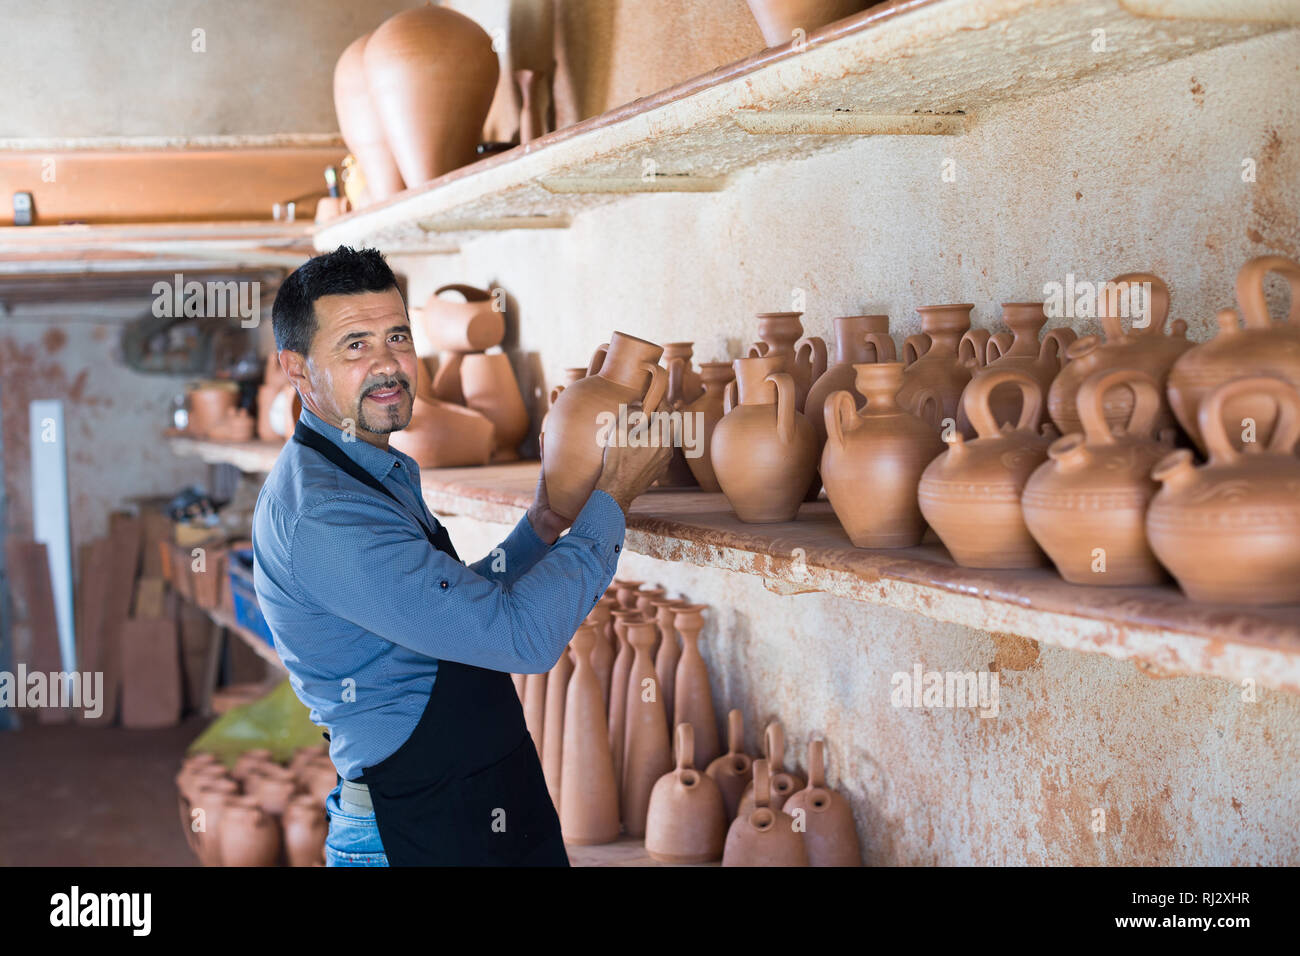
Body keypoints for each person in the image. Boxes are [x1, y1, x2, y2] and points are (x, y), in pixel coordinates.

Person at [251, 246, 670, 866]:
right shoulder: (326, 514)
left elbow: (443, 612)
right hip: (414, 824)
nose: (388, 364)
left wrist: (542, 527)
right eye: (355, 345)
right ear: (297, 368)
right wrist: (612, 501)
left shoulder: (363, 468)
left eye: (397, 336)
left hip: (467, 800)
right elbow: (520, 637)